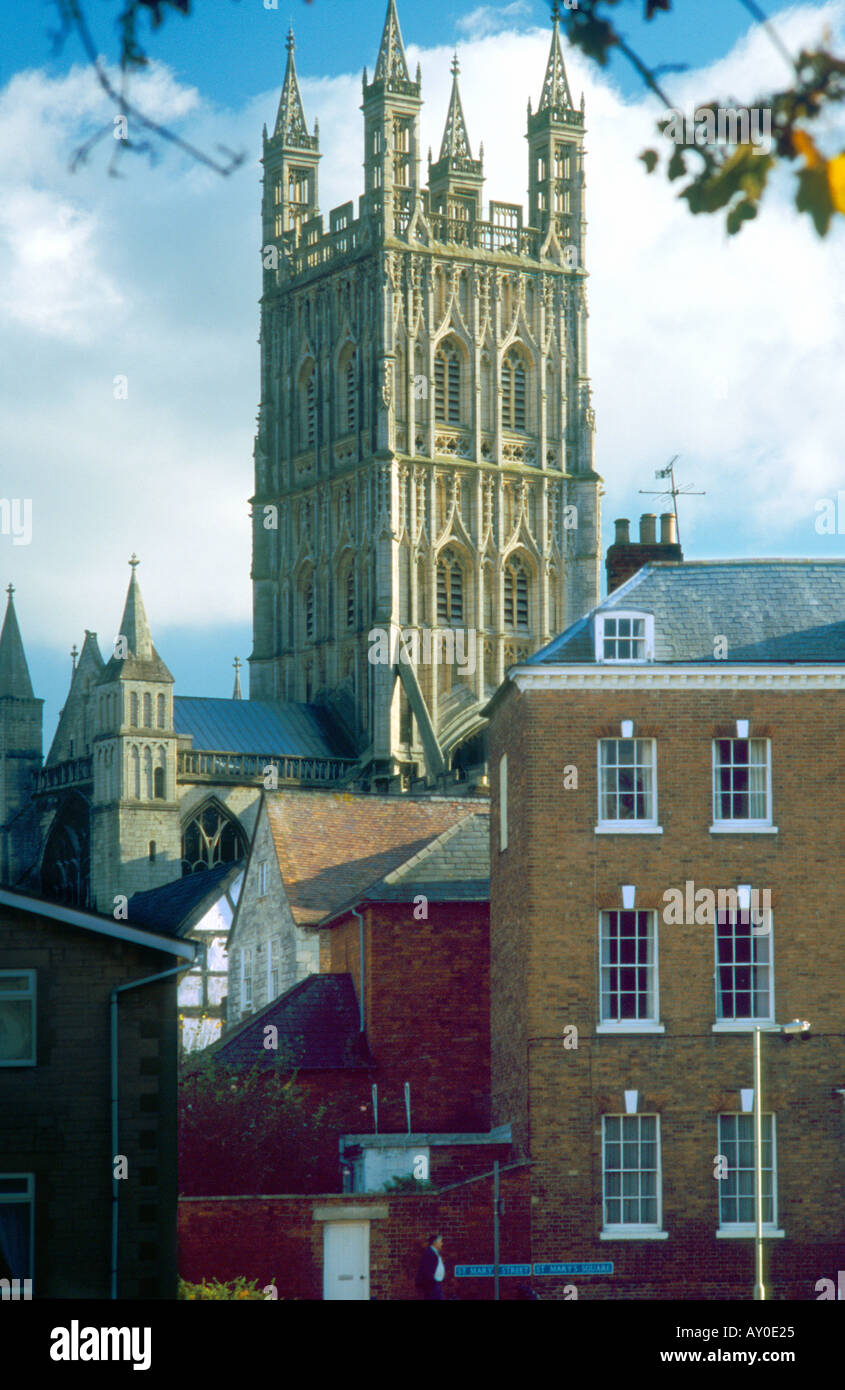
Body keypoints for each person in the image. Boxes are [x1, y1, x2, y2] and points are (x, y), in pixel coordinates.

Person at [416, 1232, 446, 1300]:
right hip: (432, 1286)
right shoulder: (429, 1253)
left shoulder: (433, 1253)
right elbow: (427, 1271)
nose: (442, 1244)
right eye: (440, 1242)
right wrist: (431, 1285)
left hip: (435, 1285)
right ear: (435, 1243)